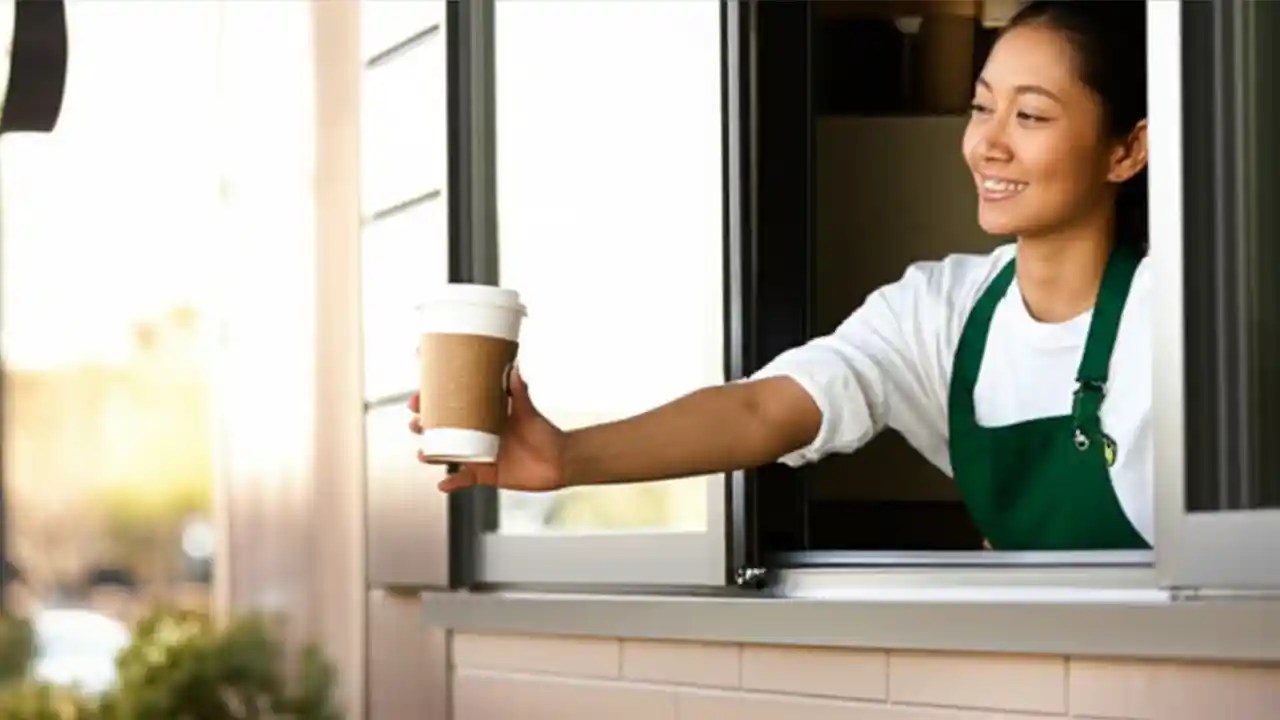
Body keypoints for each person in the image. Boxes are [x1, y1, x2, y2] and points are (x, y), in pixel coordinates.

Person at [408, 0, 1152, 551]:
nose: (987, 143)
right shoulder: (942, 311)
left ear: (1126, 150)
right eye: (981, 107)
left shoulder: (1171, 321)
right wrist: (565, 456)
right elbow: (762, 411)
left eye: (1031, 117)